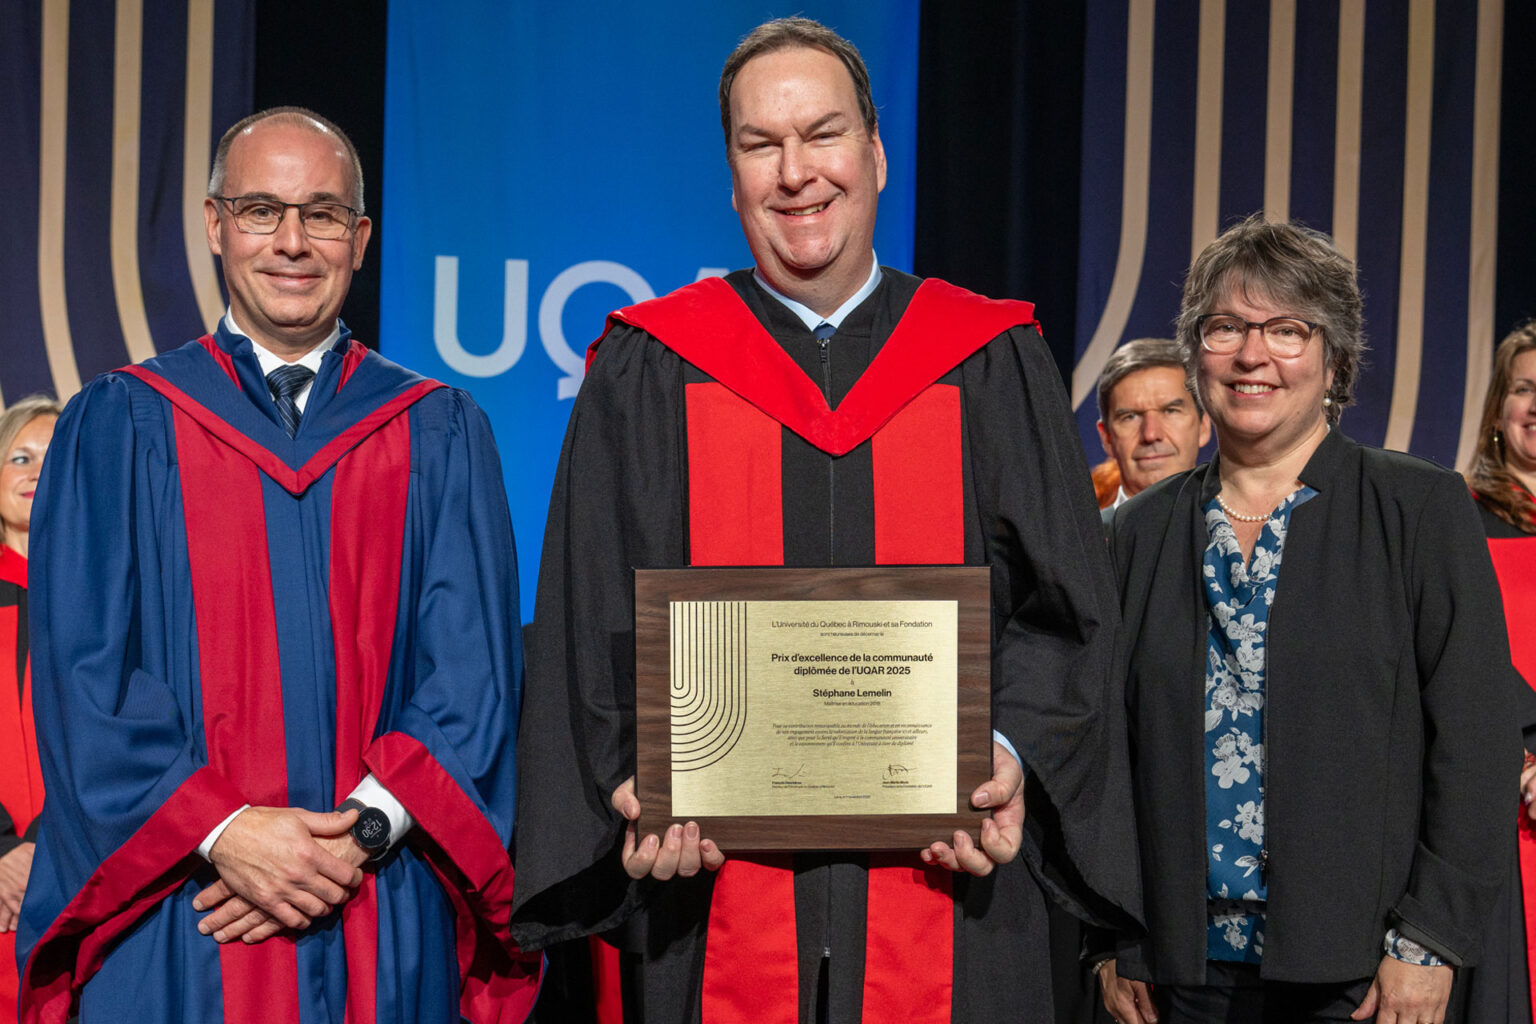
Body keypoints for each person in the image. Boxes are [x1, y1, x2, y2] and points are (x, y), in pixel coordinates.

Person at [511, 17, 1140, 1024]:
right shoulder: (648, 367)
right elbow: (591, 618)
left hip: (955, 895)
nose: (797, 171)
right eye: (762, 144)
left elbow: (1064, 613)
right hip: (711, 893)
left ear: (877, 152)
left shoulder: (989, 357)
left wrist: (1008, 758)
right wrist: (634, 779)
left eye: (824, 134)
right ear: (730, 177)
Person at [17, 108, 537, 1023]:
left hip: (375, 901)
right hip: (181, 905)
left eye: (323, 214)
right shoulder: (121, 424)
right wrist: (224, 831)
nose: (292, 242)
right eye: (262, 210)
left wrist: (356, 839)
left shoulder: (437, 431)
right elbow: (81, 678)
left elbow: (473, 678)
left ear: (362, 239)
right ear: (215, 225)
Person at [1097, 214, 1515, 1024]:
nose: (1252, 356)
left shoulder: (1419, 508)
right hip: (1175, 973)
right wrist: (1109, 937)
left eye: (1286, 329)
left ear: (1334, 359)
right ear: (1196, 355)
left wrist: (1428, 942)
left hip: (1364, 974)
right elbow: (1103, 752)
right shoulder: (1136, 534)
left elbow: (1478, 741)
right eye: (1225, 328)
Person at [1461, 321, 1536, 1023]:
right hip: (1502, 803)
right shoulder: (1456, 519)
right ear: (1498, 410)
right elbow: (1454, 662)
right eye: (1525, 388)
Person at [0, 396, 60, 1024]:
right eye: (20, 456)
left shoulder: (113, 598)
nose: (37, 471)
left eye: (53, 457)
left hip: (79, 864)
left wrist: (46, 846)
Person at [1096, 337, 1211, 513]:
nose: (1150, 434)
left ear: (1203, 426)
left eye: (1170, 411)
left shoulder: (1241, 534)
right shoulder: (1080, 539)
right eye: (1130, 417)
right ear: (1107, 438)